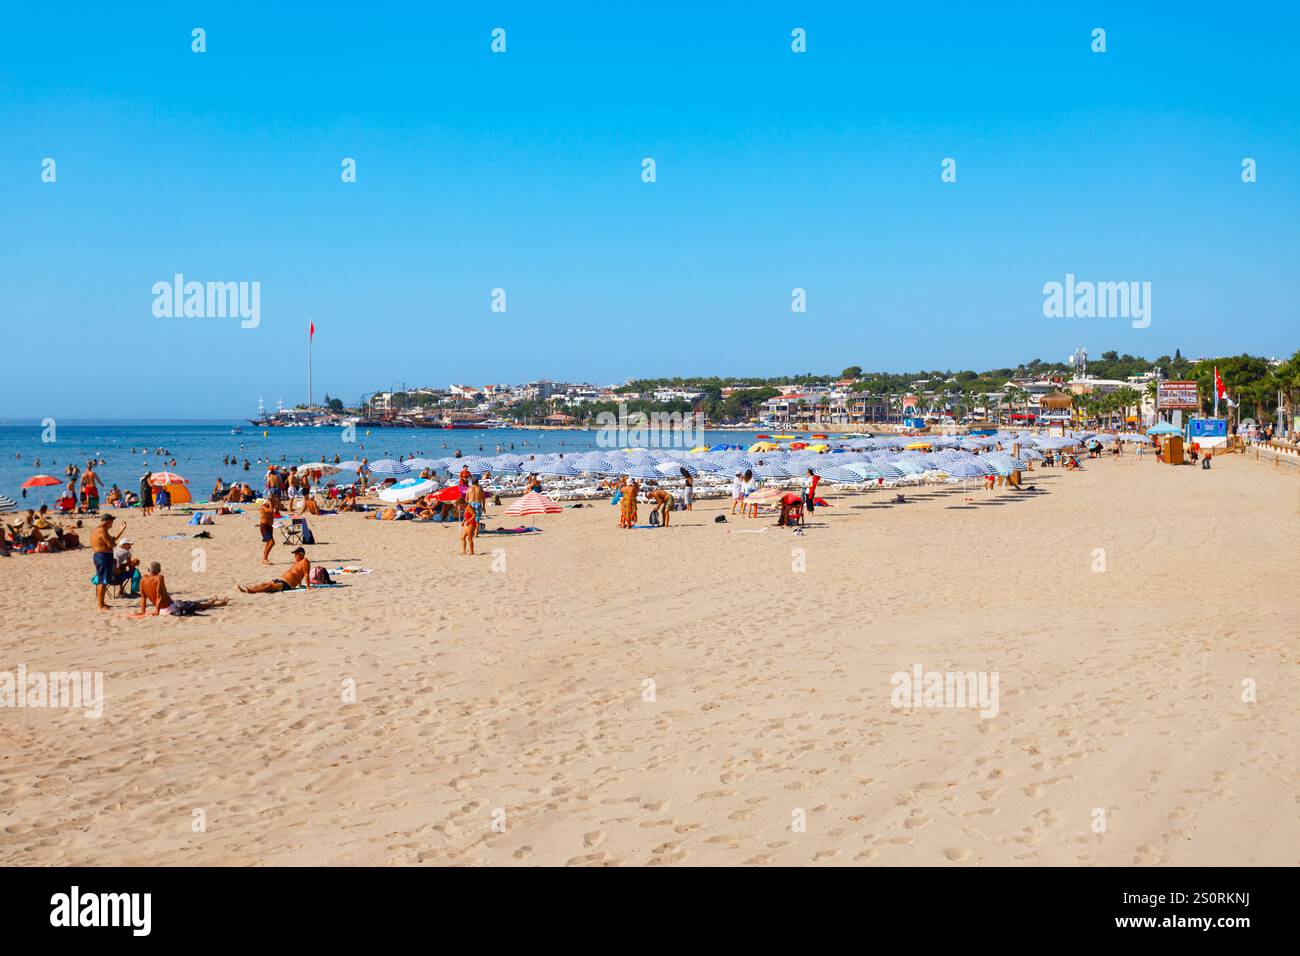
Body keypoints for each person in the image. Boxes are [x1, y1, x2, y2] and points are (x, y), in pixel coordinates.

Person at [139, 562, 228, 616]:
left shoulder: (143, 579)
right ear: (159, 570)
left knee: (194, 605)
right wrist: (156, 611)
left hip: (162, 610)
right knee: (198, 606)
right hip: (171, 607)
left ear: (148, 569)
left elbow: (143, 598)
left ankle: (211, 602)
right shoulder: (159, 577)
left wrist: (143, 612)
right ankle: (220, 604)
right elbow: (159, 595)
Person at [90, 514, 127, 611]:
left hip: (101, 556)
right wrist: (116, 545)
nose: (112, 524)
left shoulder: (98, 530)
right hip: (103, 557)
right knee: (102, 581)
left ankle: (102, 603)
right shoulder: (102, 531)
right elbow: (111, 544)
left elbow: (112, 540)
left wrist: (121, 530)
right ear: (107, 521)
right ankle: (101, 605)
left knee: (102, 580)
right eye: (112, 522)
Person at [240, 546, 313, 593]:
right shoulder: (296, 562)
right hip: (281, 580)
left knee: (269, 587)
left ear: (302, 554)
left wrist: (308, 587)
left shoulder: (305, 561)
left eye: (296, 554)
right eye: (295, 554)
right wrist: (299, 584)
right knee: (264, 584)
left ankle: (252, 591)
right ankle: (247, 589)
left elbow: (306, 574)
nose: (295, 555)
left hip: (287, 584)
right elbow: (299, 575)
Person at [259, 496, 277, 564]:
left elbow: (278, 507)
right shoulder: (263, 507)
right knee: (272, 542)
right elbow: (271, 511)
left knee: (268, 543)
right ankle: (264, 559)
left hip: (269, 526)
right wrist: (270, 502)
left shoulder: (270, 506)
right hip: (264, 526)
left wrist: (273, 501)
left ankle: (265, 558)